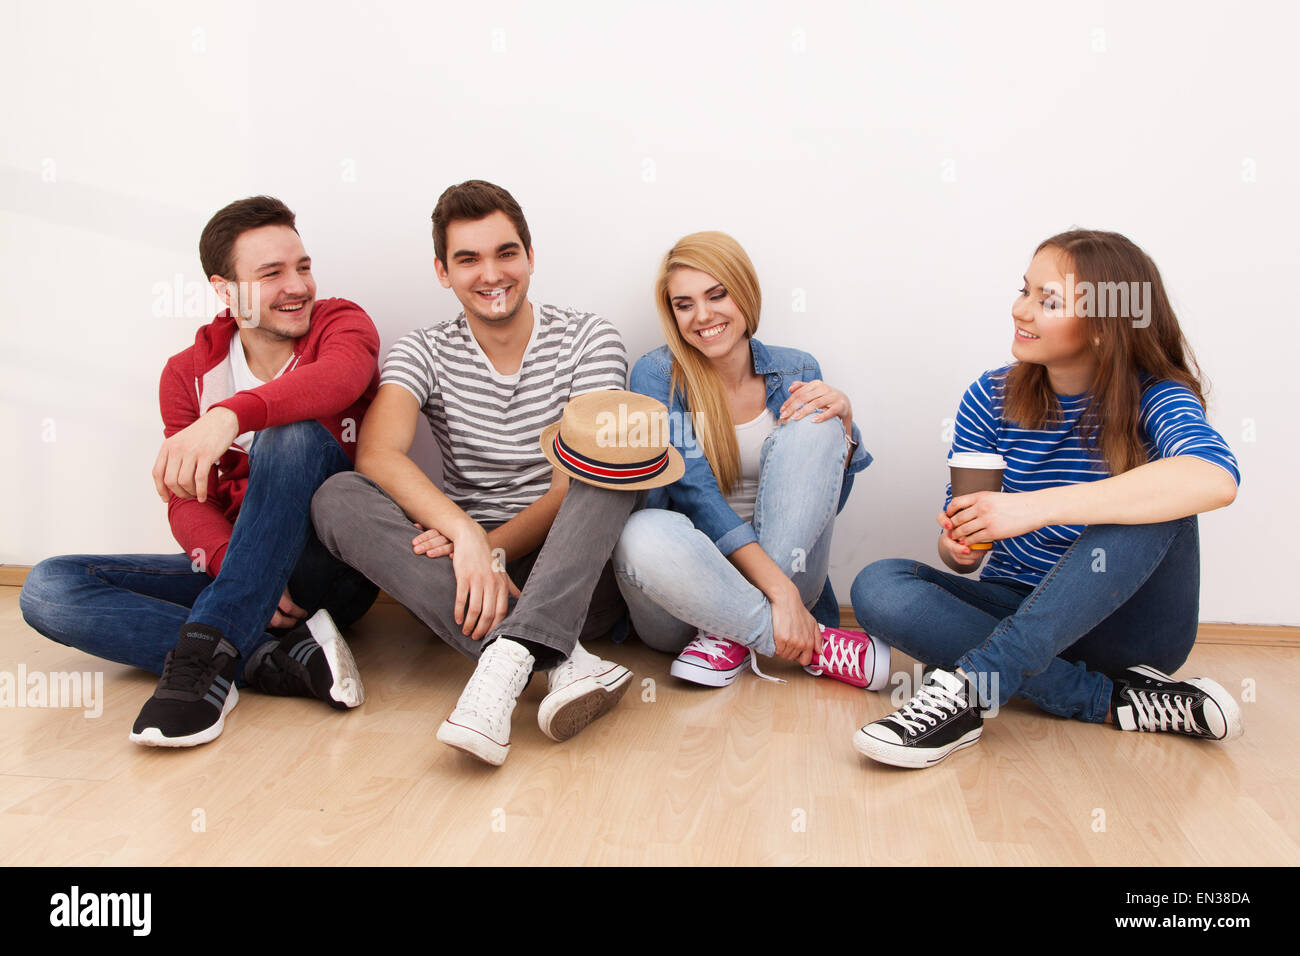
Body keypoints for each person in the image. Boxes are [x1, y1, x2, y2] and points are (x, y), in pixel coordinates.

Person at [311, 180, 678, 767]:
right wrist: (464, 538)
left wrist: (488, 548)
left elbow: (570, 486)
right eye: (468, 259)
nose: (491, 273)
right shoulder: (423, 350)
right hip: (466, 581)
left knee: (611, 460)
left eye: (506, 253)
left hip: (571, 567)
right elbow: (378, 455)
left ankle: (510, 660)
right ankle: (561, 659)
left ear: (529, 257)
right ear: (442, 271)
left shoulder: (589, 338)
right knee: (337, 497)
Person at [851, 229, 1243, 769]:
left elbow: (1215, 479)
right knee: (879, 586)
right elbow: (961, 555)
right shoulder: (990, 395)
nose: (1022, 311)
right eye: (1025, 291)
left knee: (1153, 499)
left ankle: (970, 692)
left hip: (1126, 630)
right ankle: (1112, 701)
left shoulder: (1157, 396)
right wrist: (960, 549)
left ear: (1105, 328)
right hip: (1019, 611)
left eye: (1048, 301)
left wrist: (1038, 506)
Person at [19, 195, 381, 748]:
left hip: (324, 571)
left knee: (290, 433)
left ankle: (206, 663)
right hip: (235, 567)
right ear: (224, 289)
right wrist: (220, 560)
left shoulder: (340, 324)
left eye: (302, 266)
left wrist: (231, 415)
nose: (297, 286)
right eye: (271, 274)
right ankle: (269, 657)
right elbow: (186, 498)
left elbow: (338, 380)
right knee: (47, 588)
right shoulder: (186, 373)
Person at [613, 231, 888, 689]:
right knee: (639, 531)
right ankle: (815, 643)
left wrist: (844, 427)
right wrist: (779, 594)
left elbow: (819, 506)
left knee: (819, 424)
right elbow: (694, 495)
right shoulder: (655, 374)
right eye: (684, 304)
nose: (702, 316)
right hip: (685, 597)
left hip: (791, 574)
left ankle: (733, 636)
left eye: (717, 294)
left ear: (744, 291)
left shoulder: (798, 369)